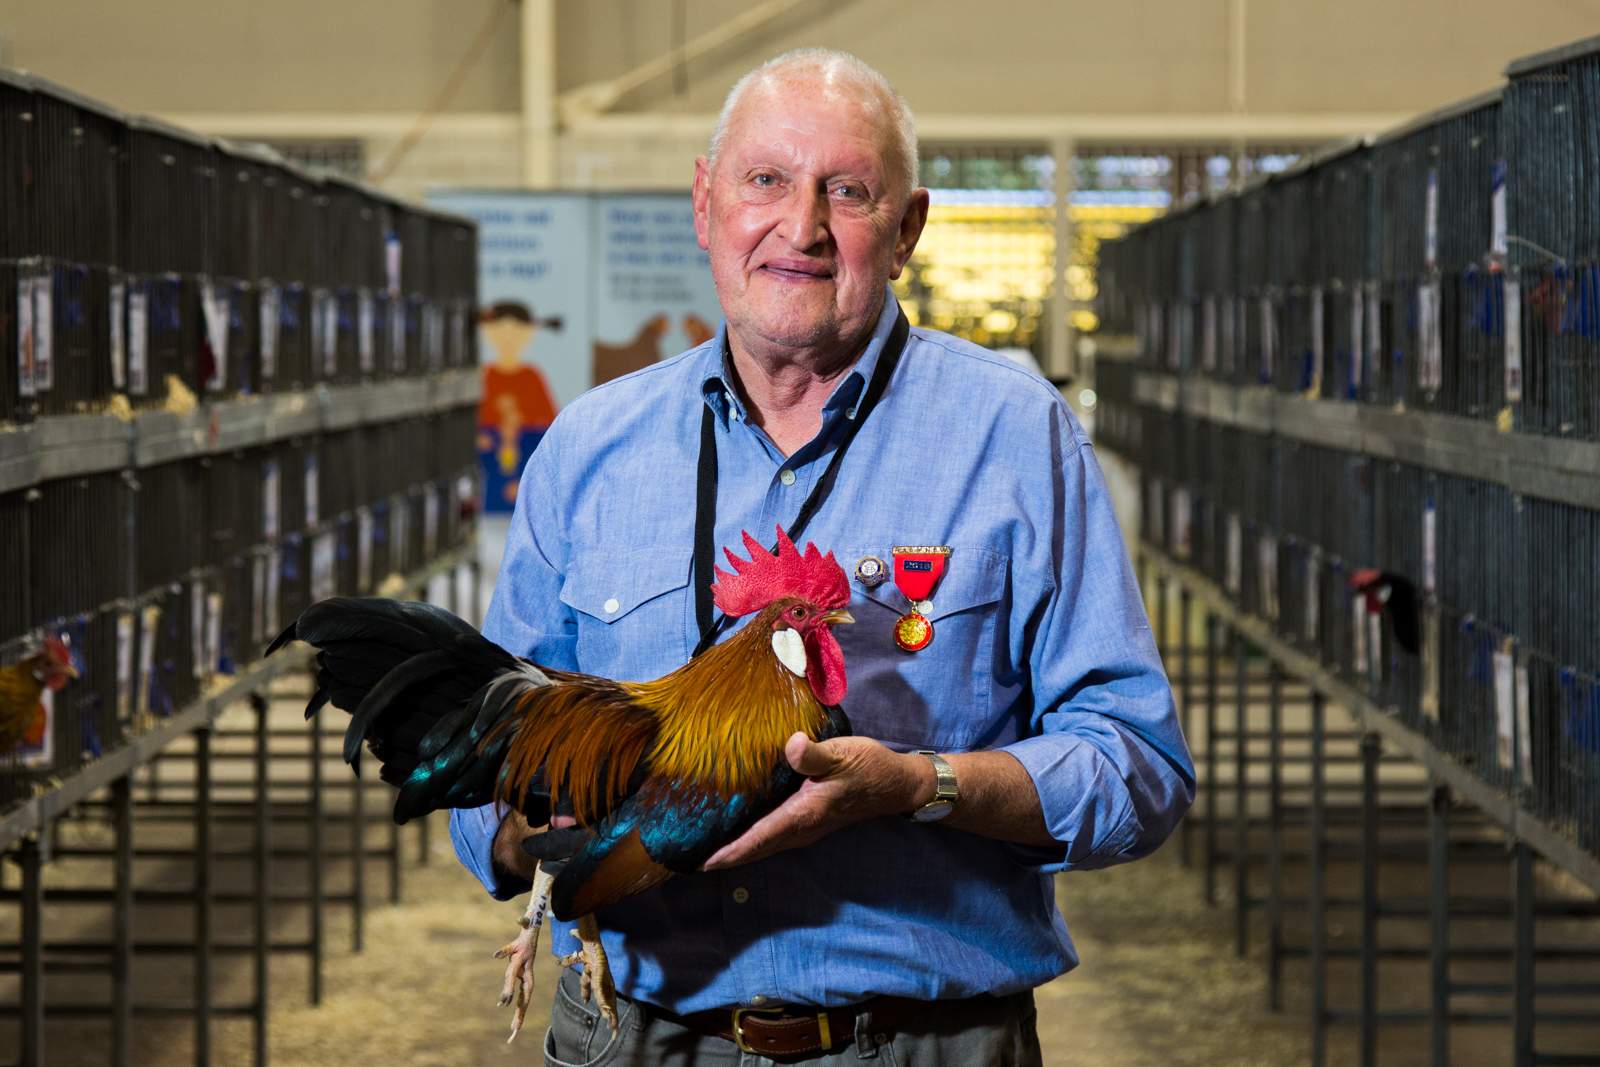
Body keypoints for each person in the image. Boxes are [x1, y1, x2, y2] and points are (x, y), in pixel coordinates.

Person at [451, 48, 1193, 1065]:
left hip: (920, 1040)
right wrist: (523, 826)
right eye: (764, 180)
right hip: (636, 1038)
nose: (798, 229)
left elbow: (1137, 766)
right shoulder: (589, 445)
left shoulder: (1016, 435)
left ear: (906, 230)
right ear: (705, 203)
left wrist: (924, 782)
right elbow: (481, 750)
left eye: (846, 191)